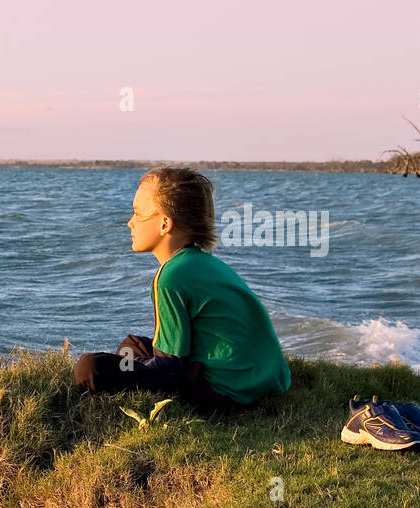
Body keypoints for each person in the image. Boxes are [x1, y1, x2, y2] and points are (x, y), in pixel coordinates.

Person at [74, 167, 290, 412]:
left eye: (137, 213)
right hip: (260, 379)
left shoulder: (171, 276)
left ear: (165, 224)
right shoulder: (205, 262)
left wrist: (141, 368)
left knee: (90, 367)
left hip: (222, 393)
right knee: (130, 345)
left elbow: (171, 367)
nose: (130, 222)